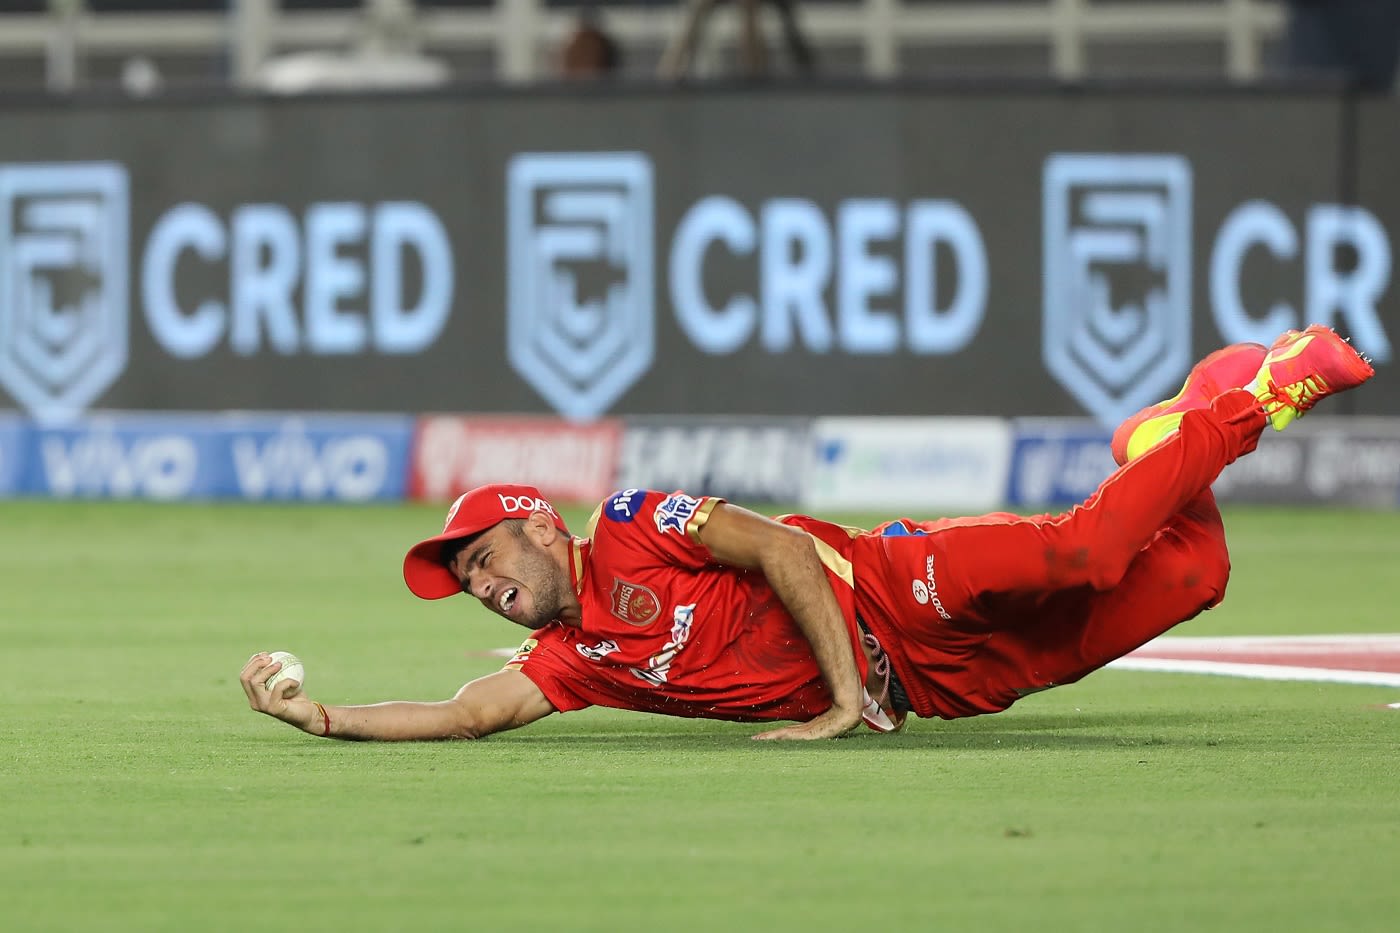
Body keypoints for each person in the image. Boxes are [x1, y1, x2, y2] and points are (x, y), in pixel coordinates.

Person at [241, 325, 1374, 742]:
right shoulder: (570, 662)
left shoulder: (633, 522)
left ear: (540, 528)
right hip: (936, 686)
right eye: (467, 584)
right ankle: (1169, 434)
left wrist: (840, 702)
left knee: (1087, 549)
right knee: (1194, 571)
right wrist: (323, 715)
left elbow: (782, 553)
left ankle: (1247, 403)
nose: (482, 586)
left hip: (889, 583)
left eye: (483, 559)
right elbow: (459, 713)